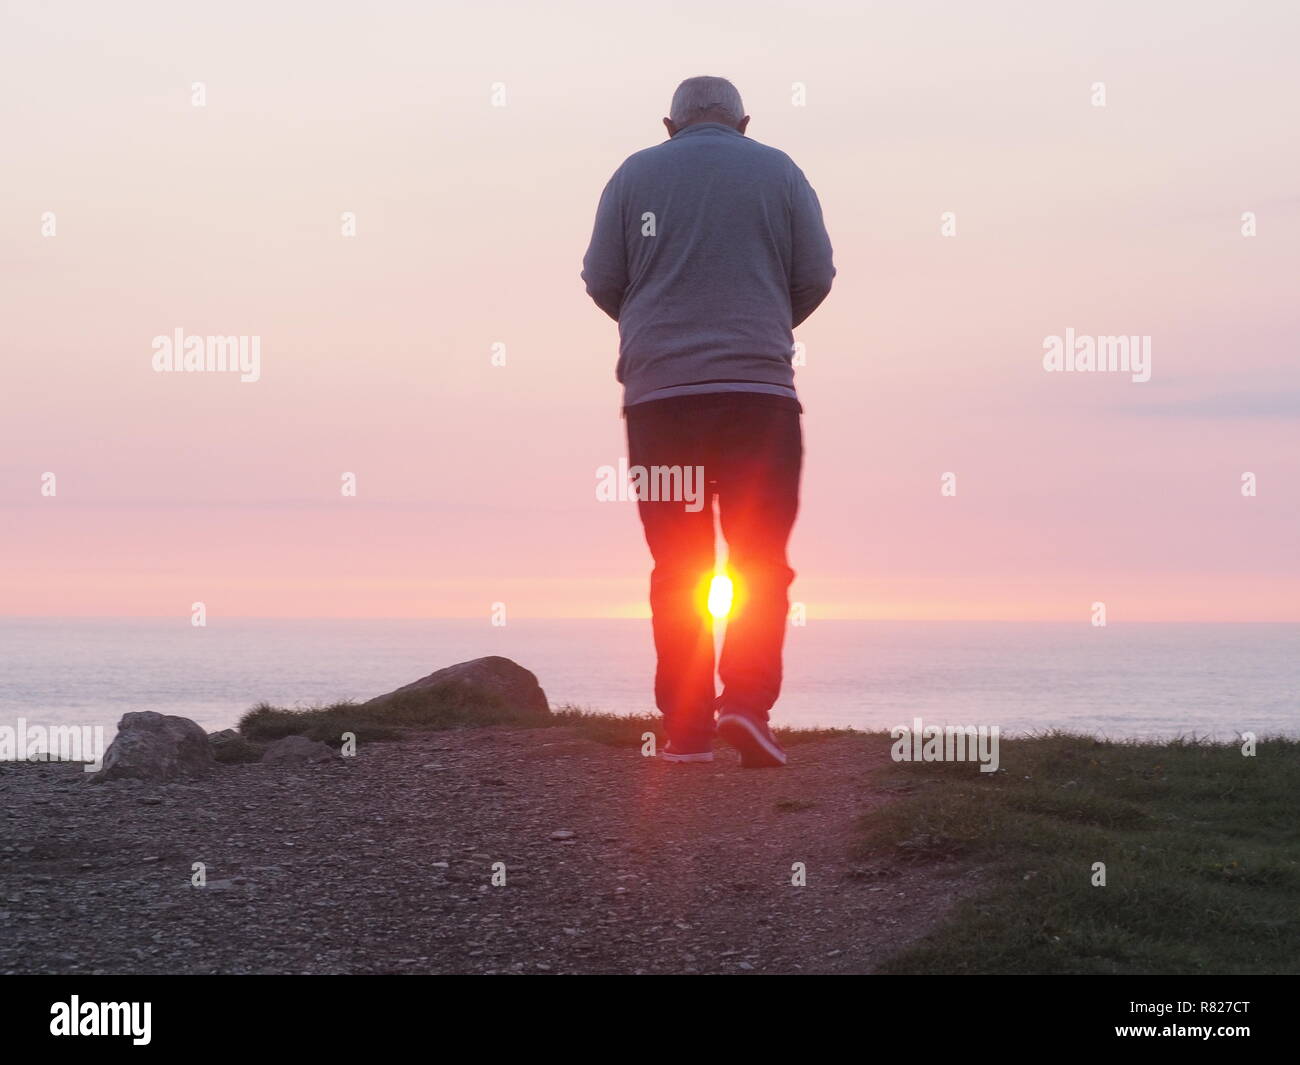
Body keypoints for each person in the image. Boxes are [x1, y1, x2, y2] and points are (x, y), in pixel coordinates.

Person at [581, 75, 835, 767]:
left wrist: (654, 329)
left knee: (679, 560)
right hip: (758, 395)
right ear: (743, 122)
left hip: (662, 400)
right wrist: (763, 326)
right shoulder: (779, 171)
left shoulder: (635, 174)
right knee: (758, 558)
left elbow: (601, 276)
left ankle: (688, 727)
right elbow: (817, 273)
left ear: (669, 125)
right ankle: (746, 706)